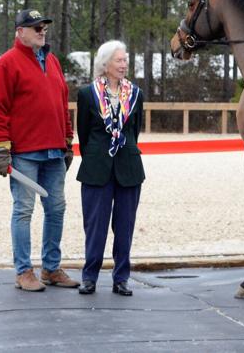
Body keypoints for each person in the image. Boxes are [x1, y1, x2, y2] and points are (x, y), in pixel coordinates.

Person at [0, 9, 80, 292]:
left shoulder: (52, 61)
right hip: (24, 153)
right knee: (23, 210)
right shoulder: (6, 64)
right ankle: (24, 271)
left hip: (53, 152)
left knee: (56, 209)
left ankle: (51, 269)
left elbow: (62, 103)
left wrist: (67, 139)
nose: (41, 31)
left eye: (43, 27)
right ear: (20, 32)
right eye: (35, 27)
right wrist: (1, 147)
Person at [75, 40, 145, 296]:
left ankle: (121, 278)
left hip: (129, 167)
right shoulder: (87, 94)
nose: (124, 65)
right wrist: (95, 156)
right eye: (119, 60)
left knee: (125, 226)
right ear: (105, 64)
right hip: (96, 167)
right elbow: (83, 133)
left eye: (125, 60)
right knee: (95, 226)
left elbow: (134, 131)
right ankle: (89, 277)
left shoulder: (136, 94)